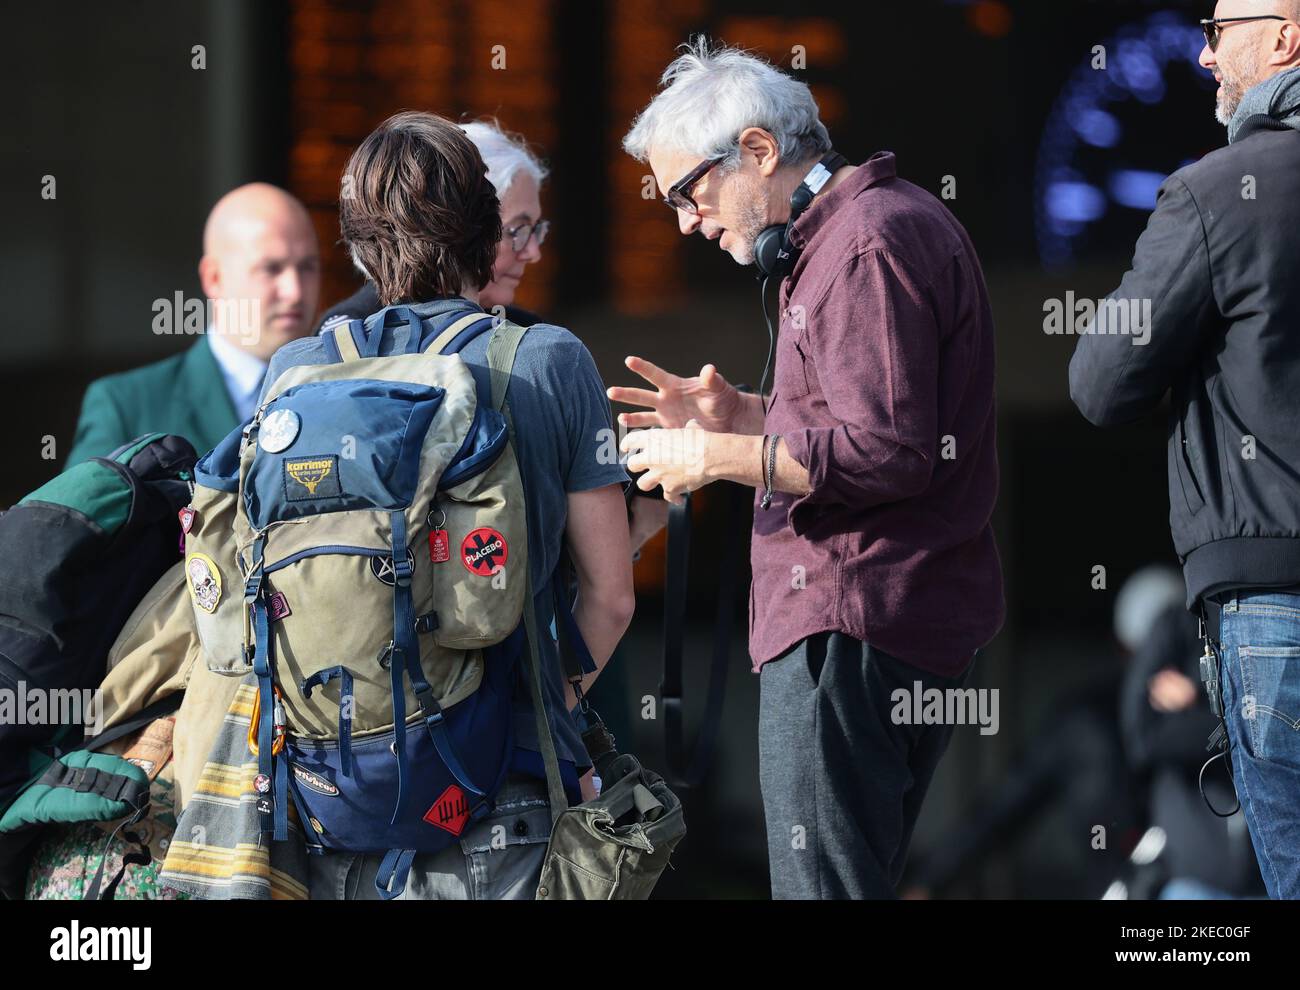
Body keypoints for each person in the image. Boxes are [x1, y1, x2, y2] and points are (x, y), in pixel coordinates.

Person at [614, 39, 1005, 899]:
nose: (685, 220)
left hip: (850, 619)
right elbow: (869, 427)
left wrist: (718, 457)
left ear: (757, 151)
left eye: (689, 191)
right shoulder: (866, 231)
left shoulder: (864, 244)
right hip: (870, 622)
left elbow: (891, 453)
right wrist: (746, 419)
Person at [289, 110, 634, 898]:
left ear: (356, 242)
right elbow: (611, 598)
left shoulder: (300, 370)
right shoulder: (547, 360)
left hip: (334, 799)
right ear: (486, 232)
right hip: (500, 795)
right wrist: (537, 703)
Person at [1069, 2, 1300, 899]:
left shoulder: (1218, 194)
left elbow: (1098, 381)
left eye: (1218, 25)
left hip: (1275, 604)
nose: (1204, 51)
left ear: (1285, 35)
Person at [64, 183, 320, 466]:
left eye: (307, 266)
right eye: (271, 268)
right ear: (214, 278)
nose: (295, 290)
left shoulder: (341, 389)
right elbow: (74, 510)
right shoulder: (126, 407)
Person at [318, 119, 548, 330]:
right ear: (455, 222)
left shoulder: (526, 332)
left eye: (536, 230)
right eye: (518, 230)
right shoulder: (352, 334)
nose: (533, 253)